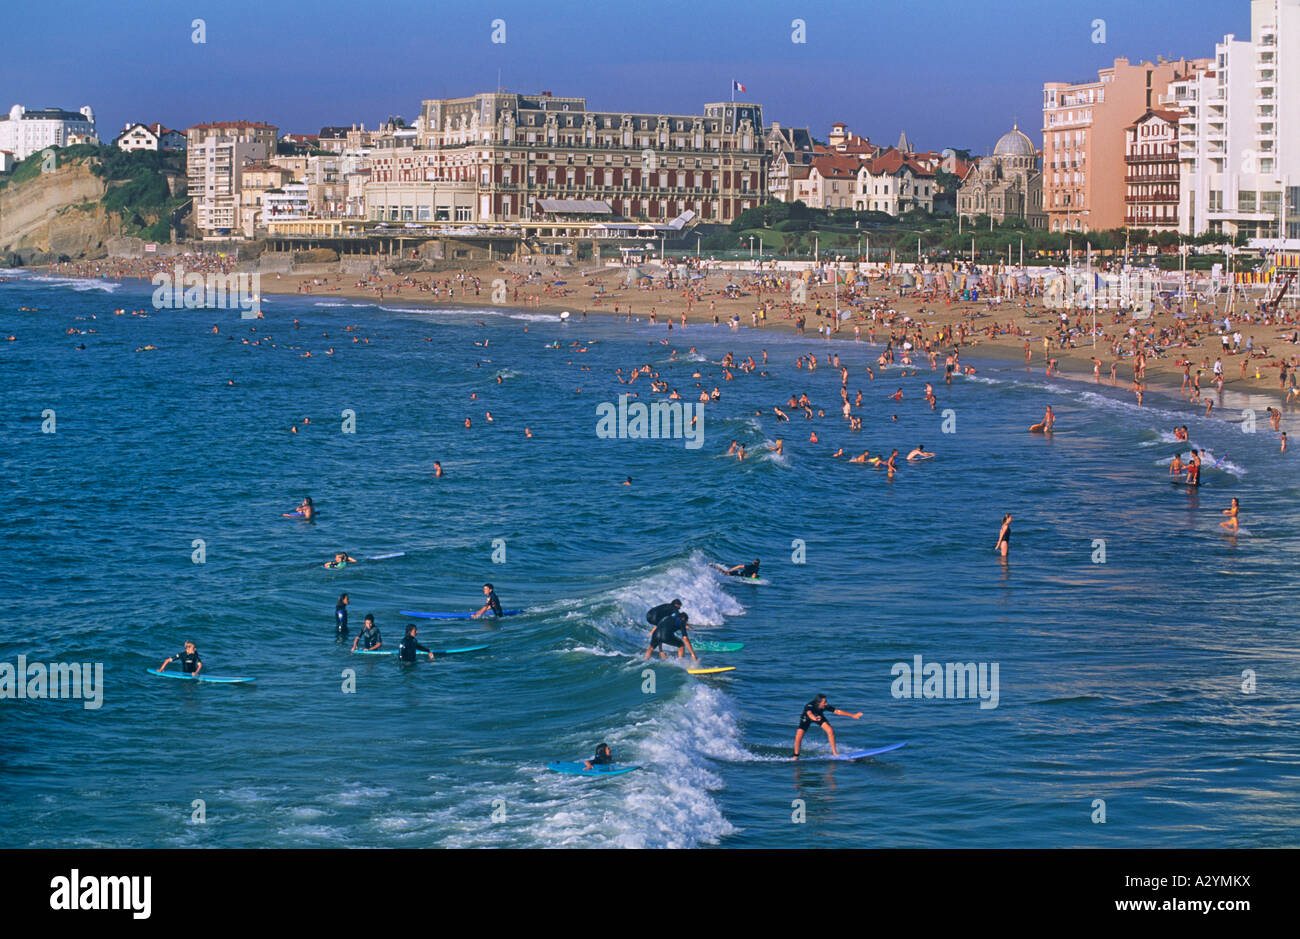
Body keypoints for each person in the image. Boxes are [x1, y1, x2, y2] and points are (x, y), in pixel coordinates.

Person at [793, 694, 862, 758]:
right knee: (798, 737)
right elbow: (809, 713)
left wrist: (852, 715)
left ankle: (835, 753)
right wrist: (815, 718)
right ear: (818, 703)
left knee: (830, 730)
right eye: (824, 702)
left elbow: (837, 711)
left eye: (826, 701)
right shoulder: (809, 705)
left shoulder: (825, 706)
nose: (826, 703)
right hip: (807, 718)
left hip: (818, 717)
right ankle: (796, 756)